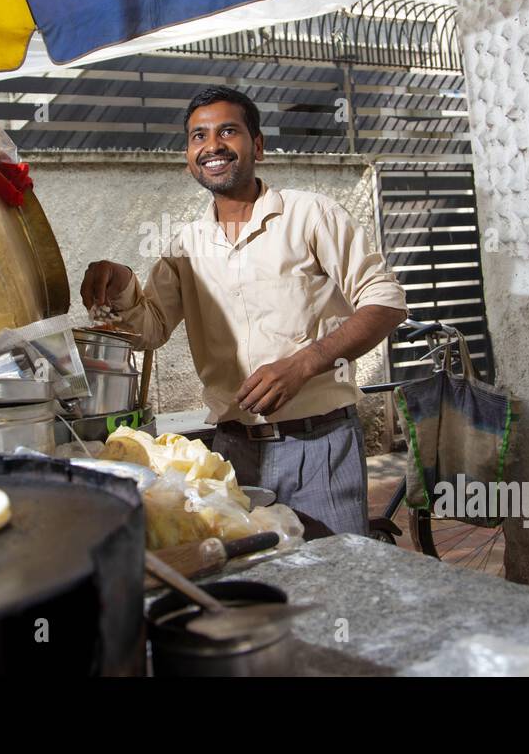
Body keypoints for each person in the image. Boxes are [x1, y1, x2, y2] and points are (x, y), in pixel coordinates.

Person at [81, 86, 408, 537]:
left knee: (333, 575)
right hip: (234, 453)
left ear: (257, 145)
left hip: (319, 446)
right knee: (257, 579)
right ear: (188, 156)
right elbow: (150, 330)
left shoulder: (311, 215)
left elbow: (385, 302)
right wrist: (121, 284)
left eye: (227, 131)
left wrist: (303, 365)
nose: (211, 146)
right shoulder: (185, 245)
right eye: (198, 136)